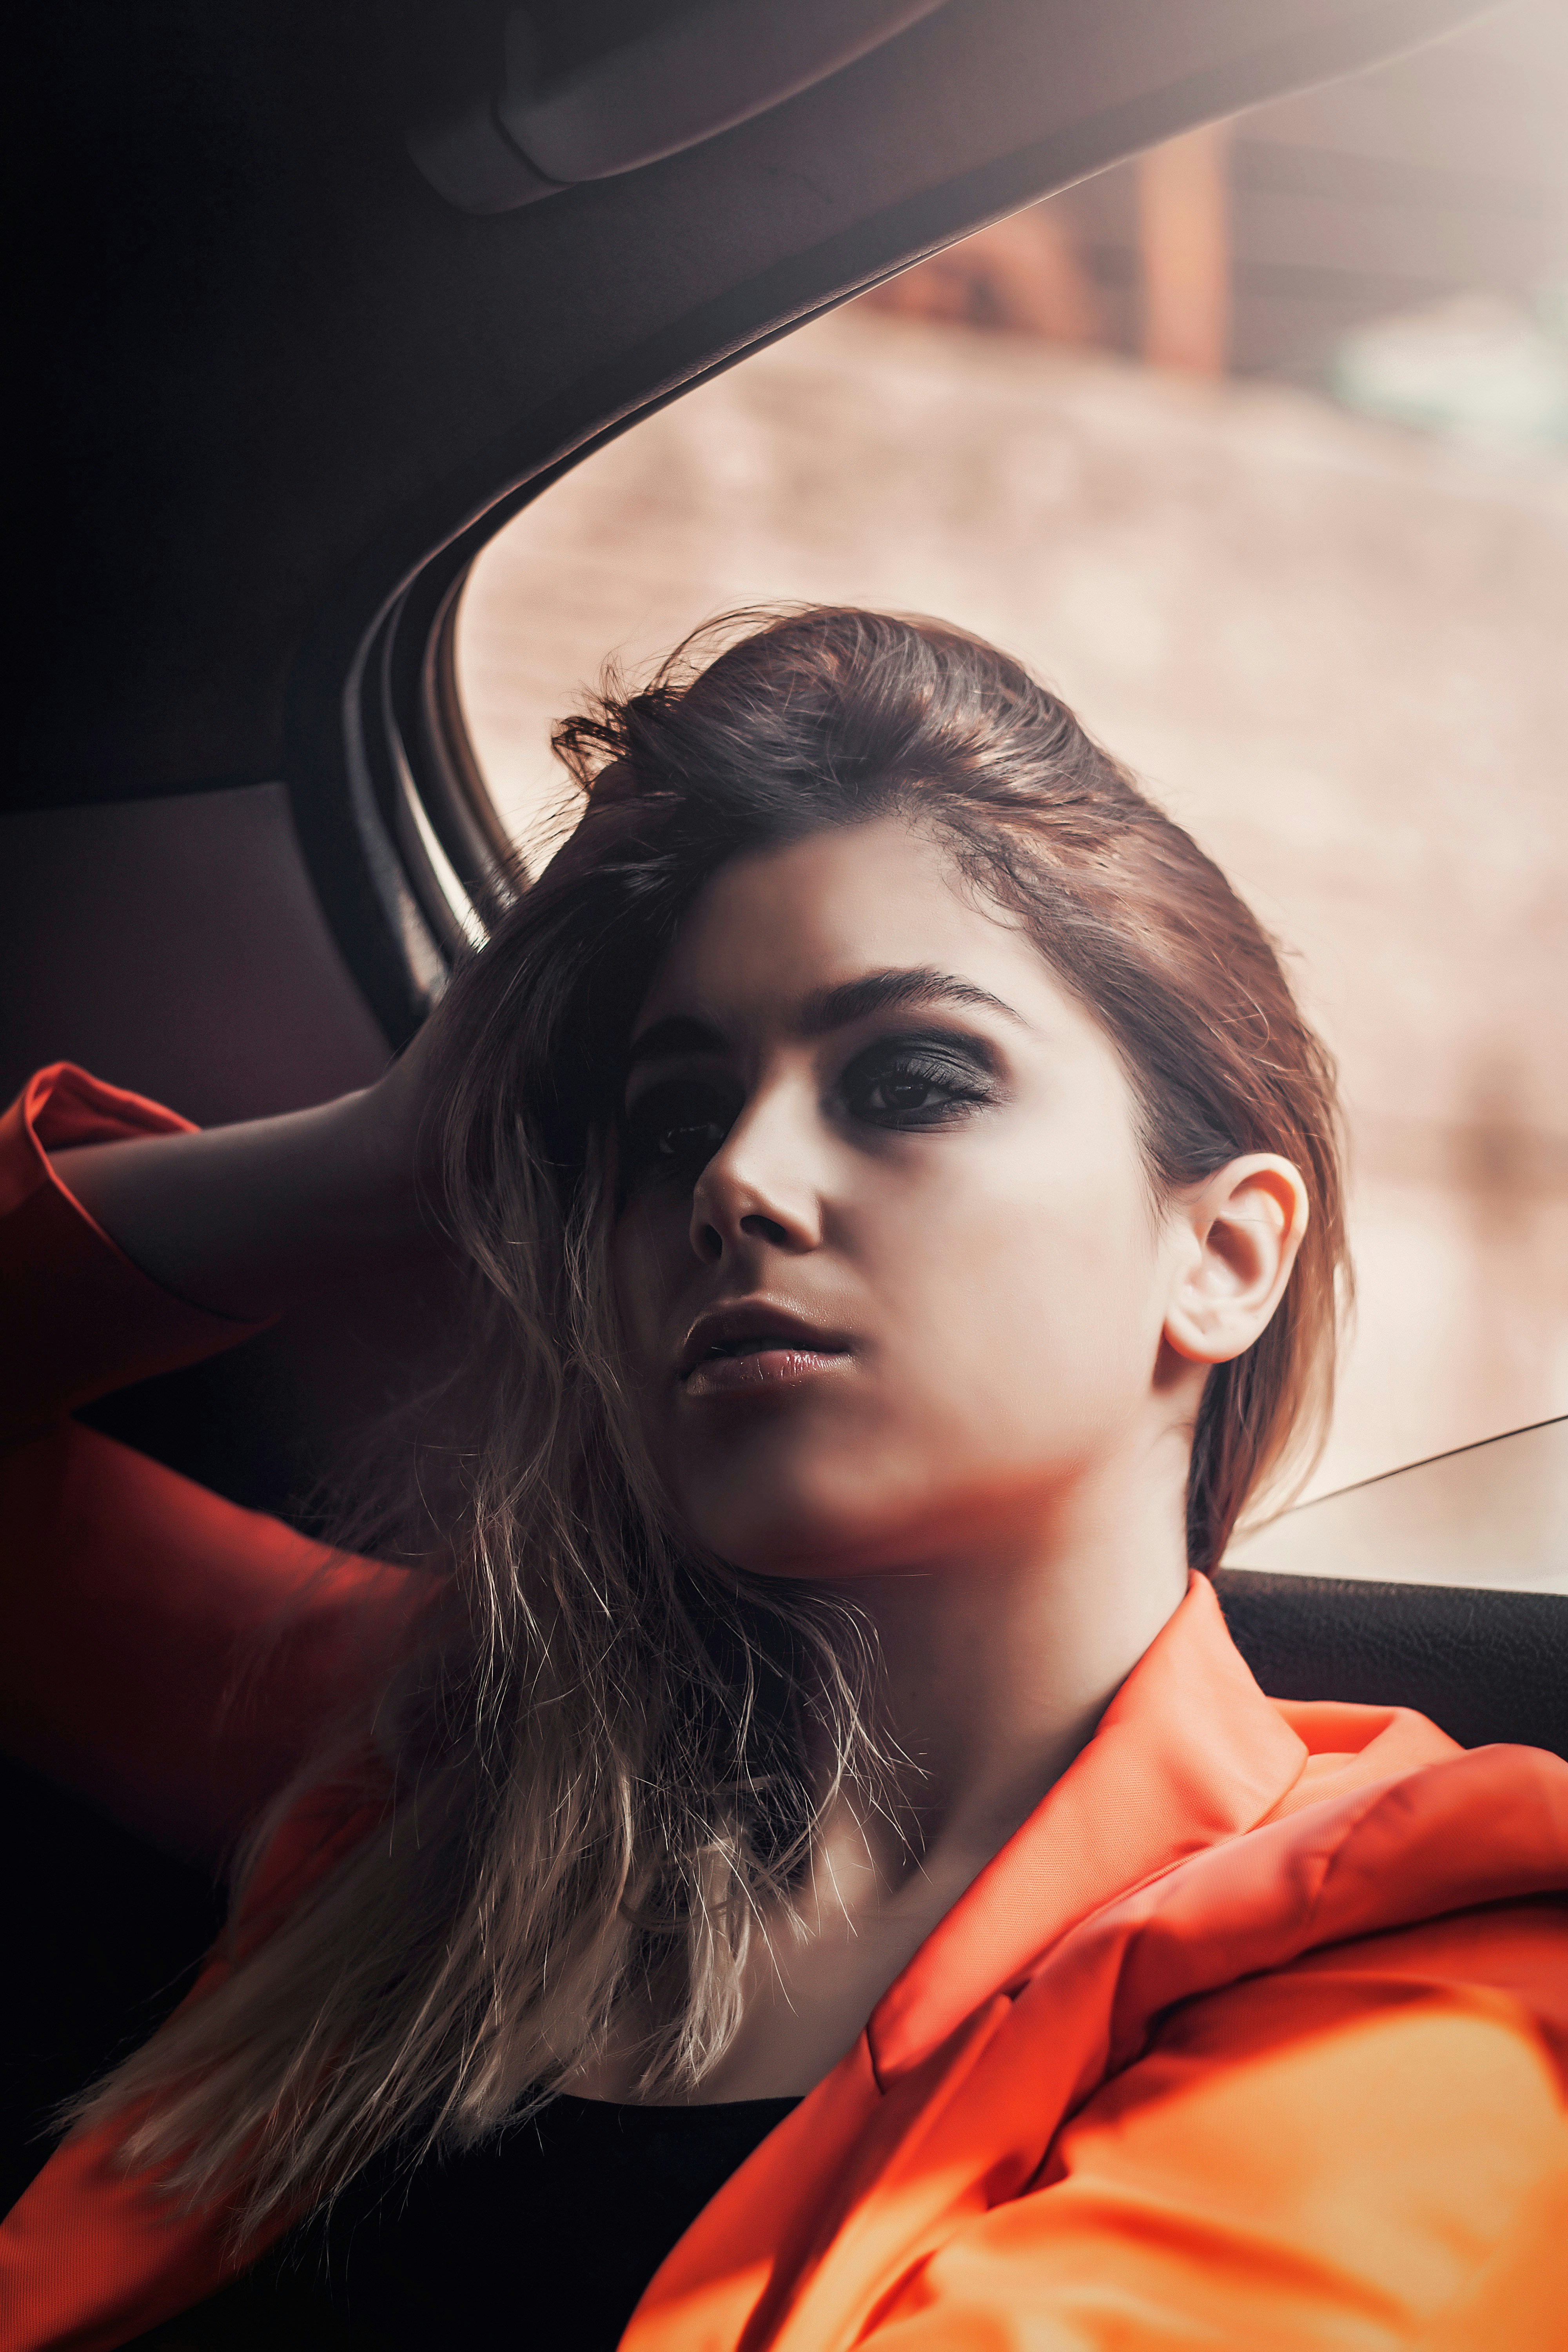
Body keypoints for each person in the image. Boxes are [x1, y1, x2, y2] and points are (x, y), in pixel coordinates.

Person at [2, 608, 1565, 2351]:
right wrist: (382, 1149)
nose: (736, 1180)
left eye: (910, 1079)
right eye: (673, 1119)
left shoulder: (1403, 1981)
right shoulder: (436, 1756)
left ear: (1220, 1255)